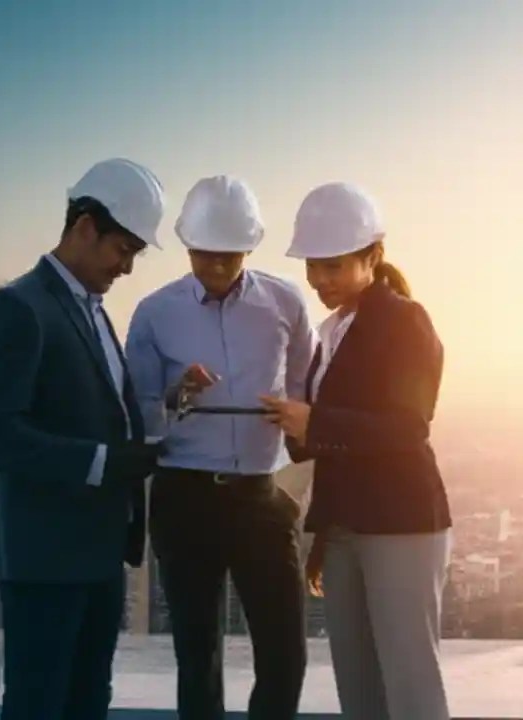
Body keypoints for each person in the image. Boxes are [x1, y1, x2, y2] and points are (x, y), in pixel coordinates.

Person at [0, 158, 166, 720]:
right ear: (84, 226)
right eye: (121, 250)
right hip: (44, 560)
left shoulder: (93, 312)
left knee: (86, 703)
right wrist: (104, 461)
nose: (126, 267)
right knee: (39, 704)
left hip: (97, 554)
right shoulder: (18, 308)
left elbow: (97, 411)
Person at [125, 175, 316, 720]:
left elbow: (304, 385)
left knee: (284, 654)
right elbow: (136, 411)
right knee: (197, 653)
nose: (216, 266)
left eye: (229, 256)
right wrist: (175, 394)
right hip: (184, 495)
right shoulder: (155, 312)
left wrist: (296, 421)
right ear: (187, 246)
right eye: (205, 254)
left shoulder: (284, 302)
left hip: (261, 495)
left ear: (249, 248)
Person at [260, 182, 453, 720]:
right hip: (346, 526)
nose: (320, 281)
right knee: (357, 683)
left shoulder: (404, 320)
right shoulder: (334, 329)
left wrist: (315, 420)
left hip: (402, 524)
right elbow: (335, 445)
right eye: (313, 268)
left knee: (410, 681)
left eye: (334, 267)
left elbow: (408, 427)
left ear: (373, 257)